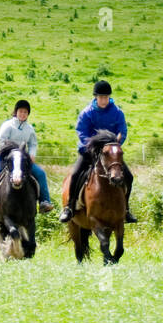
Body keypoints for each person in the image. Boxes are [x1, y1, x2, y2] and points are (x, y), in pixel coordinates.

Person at [59, 80, 137, 224]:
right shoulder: (87, 113)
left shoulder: (117, 112)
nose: (103, 100)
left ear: (109, 97)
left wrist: (115, 146)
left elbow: (122, 130)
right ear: (96, 97)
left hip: (110, 154)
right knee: (75, 174)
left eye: (106, 97)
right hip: (89, 152)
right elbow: (81, 132)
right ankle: (69, 207)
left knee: (129, 176)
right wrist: (93, 146)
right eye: (101, 97)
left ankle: (126, 210)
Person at [0, 99, 53, 218]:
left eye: (25, 112)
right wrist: (13, 153)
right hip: (4, 157)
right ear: (16, 112)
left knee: (41, 173)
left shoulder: (29, 129)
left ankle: (44, 202)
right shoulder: (7, 125)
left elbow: (33, 143)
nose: (23, 114)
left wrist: (32, 154)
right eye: (21, 111)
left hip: (22, 160)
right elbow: (1, 142)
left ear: (28, 115)